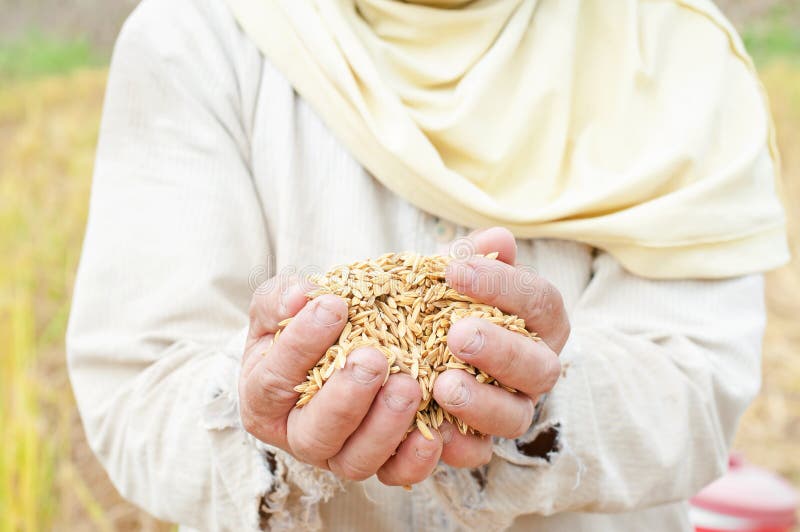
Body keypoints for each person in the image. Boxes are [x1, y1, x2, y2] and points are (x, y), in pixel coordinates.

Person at [66, 0, 789, 530]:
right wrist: (265, 410)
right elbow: (137, 389)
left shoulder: (670, 49)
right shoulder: (199, 34)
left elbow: (700, 389)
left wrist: (539, 399)